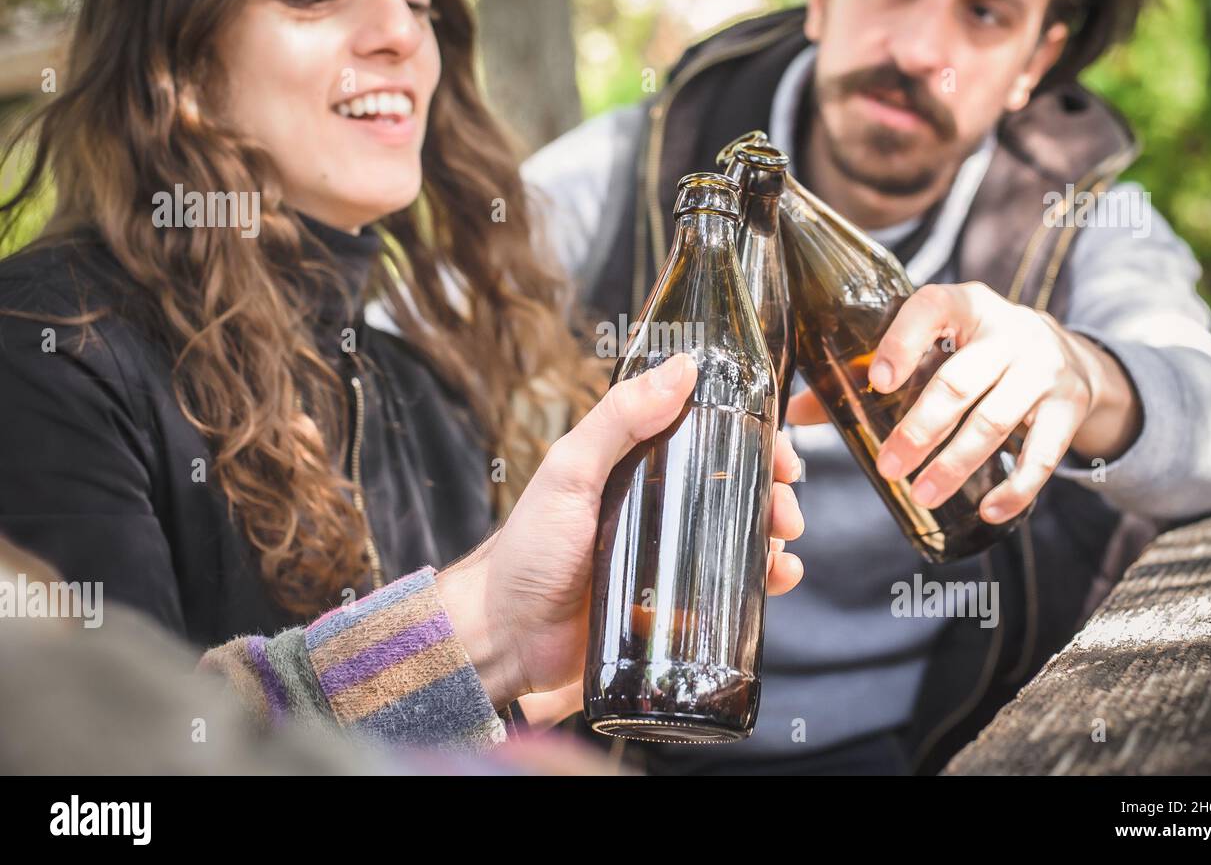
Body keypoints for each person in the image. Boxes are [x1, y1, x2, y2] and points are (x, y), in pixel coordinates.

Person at [0, 0, 804, 736]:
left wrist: (563, 668)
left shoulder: (426, 388)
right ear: (177, 55)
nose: (399, 33)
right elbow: (102, 778)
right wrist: (478, 625)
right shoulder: (45, 351)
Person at [526, 0, 1211, 773]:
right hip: (613, 738)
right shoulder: (642, 164)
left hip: (933, 745)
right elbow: (416, 309)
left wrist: (1079, 375)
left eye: (985, 12)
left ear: (1035, 58)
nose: (920, 48)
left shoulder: (1079, 220)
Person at [4, 353, 797, 773]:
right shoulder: (50, 355)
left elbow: (195, 733)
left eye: (432, 28)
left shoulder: (419, 368)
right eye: (321, 27)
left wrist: (500, 624)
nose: (398, 40)